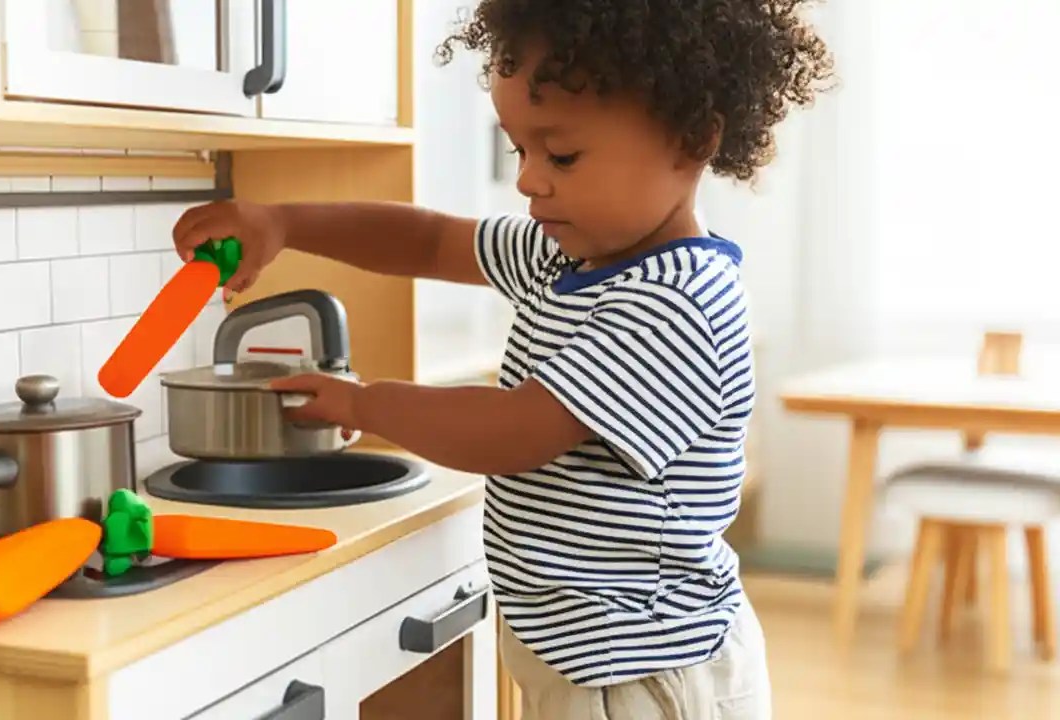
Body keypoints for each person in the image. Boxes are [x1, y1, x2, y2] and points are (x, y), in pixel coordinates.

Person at [172, 1, 834, 717]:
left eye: (562, 155)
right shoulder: (569, 254)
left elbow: (516, 431)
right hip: (589, 659)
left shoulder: (677, 302)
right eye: (520, 150)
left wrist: (365, 402)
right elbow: (426, 241)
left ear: (693, 139)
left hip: (648, 673)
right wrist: (285, 223)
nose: (528, 180)